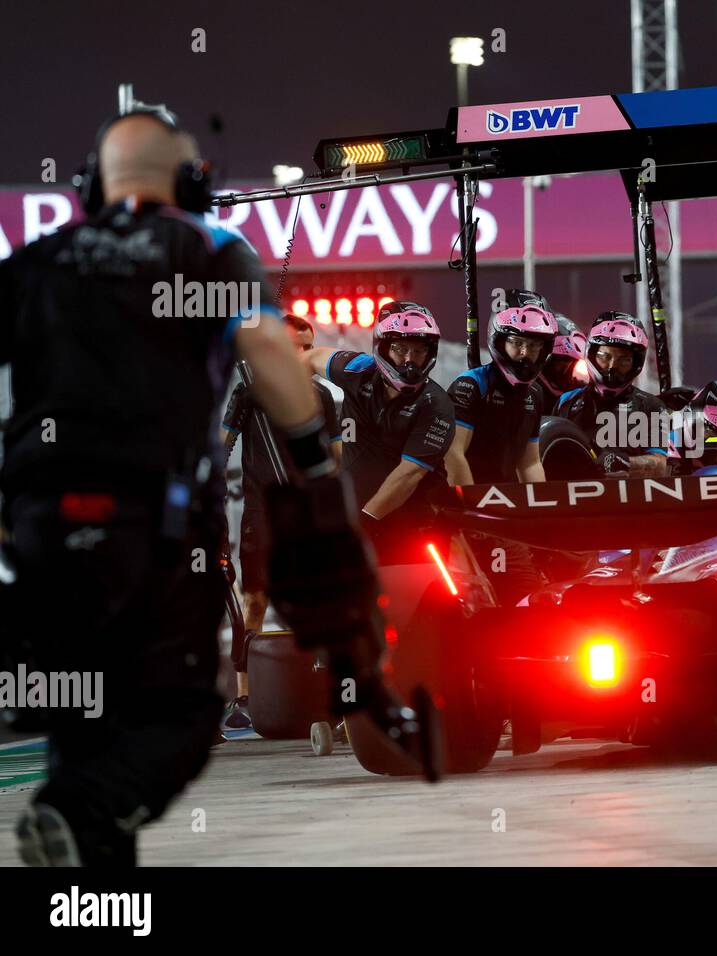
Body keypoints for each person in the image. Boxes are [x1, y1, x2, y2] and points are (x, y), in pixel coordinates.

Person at [0, 110, 386, 865]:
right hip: (153, 514)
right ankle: (78, 811)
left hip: (41, 517)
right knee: (183, 714)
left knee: (83, 714)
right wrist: (314, 459)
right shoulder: (207, 247)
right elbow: (268, 348)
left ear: (87, 188)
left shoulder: (41, 257)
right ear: (193, 184)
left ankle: (89, 878)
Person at [219, 312, 342, 733]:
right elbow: (222, 446)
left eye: (308, 347)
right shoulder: (250, 391)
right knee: (253, 603)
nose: (301, 355)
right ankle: (244, 697)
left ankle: (330, 692)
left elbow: (337, 458)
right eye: (293, 346)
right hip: (261, 514)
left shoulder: (321, 398)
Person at [303, 300, 456, 564]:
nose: (410, 360)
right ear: (383, 348)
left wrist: (363, 523)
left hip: (416, 528)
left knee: (419, 601)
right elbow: (307, 359)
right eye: (400, 349)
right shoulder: (356, 369)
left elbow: (407, 475)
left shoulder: (436, 405)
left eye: (419, 351)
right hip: (355, 522)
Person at [445, 304, 555, 605]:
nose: (524, 353)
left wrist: (546, 517)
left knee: (525, 596)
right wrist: (474, 516)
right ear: (500, 342)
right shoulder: (472, 384)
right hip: (464, 515)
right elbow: (453, 454)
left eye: (533, 345)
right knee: (469, 602)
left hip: (504, 517)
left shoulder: (534, 395)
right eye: (517, 342)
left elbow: (530, 463)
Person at [554, 312, 669, 476]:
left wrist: (622, 462)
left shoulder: (652, 406)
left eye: (623, 360)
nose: (612, 366)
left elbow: (659, 465)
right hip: (577, 495)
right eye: (605, 356)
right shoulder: (567, 401)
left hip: (630, 497)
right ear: (592, 354)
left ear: (635, 363)